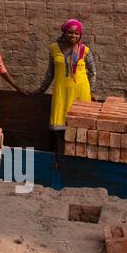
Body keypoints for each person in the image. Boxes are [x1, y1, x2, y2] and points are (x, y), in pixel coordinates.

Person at [34, 18, 96, 157]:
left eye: (76, 33)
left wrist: (90, 90)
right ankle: (59, 156)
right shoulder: (54, 48)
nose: (73, 36)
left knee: (79, 127)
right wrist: (40, 90)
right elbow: (50, 73)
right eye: (70, 32)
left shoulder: (85, 51)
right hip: (61, 93)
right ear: (64, 32)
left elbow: (93, 72)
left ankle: (78, 157)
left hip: (81, 93)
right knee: (59, 128)